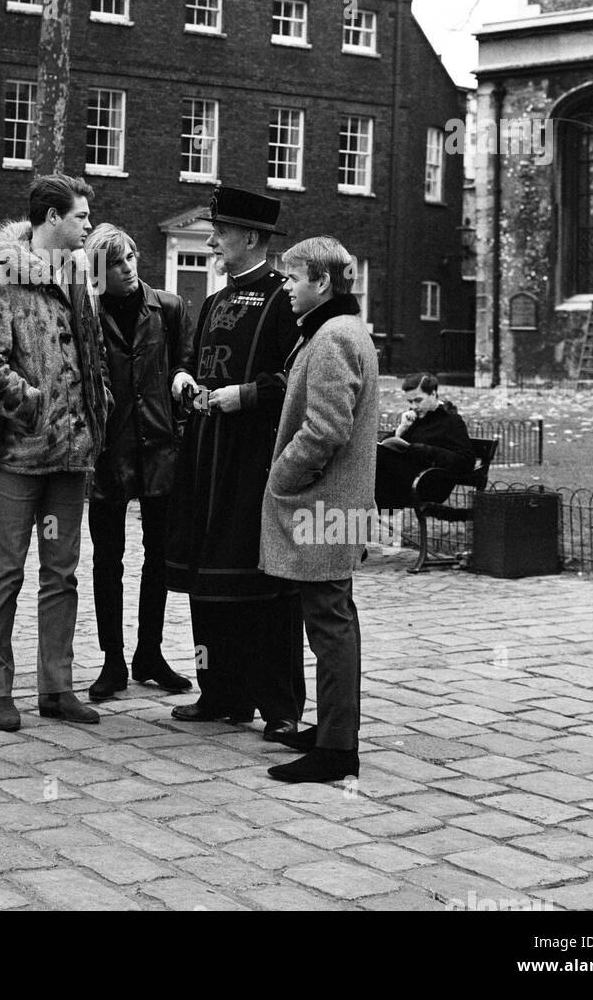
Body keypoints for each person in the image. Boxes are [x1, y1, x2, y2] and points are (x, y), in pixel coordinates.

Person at [0, 173, 112, 732]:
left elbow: (91, 358)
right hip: (20, 457)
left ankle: (57, 687)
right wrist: (30, 406)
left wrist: (98, 405)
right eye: (80, 216)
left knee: (62, 574)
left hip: (73, 457)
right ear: (51, 218)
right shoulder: (0, 282)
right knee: (4, 574)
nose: (88, 225)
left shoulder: (81, 279)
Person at [164, 185, 305, 734]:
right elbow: (196, 357)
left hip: (251, 462)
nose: (213, 240)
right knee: (208, 582)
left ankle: (281, 708)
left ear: (251, 237)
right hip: (205, 456)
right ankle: (219, 691)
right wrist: (184, 378)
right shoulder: (217, 298)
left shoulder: (281, 297)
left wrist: (241, 396)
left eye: (221, 232)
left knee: (261, 588)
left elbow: (293, 381)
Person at [261, 235, 378, 784]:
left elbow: (326, 430)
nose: (285, 287)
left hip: (322, 506)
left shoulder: (333, 337)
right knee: (336, 618)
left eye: (293, 277)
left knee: (329, 623)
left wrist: (280, 476)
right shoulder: (346, 329)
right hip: (337, 504)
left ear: (323, 282)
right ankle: (336, 727)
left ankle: (336, 749)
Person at [83, 224, 193, 702]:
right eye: (115, 264)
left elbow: (185, 359)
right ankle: (113, 660)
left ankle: (150, 652)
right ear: (97, 273)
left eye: (130, 258)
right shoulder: (85, 313)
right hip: (109, 450)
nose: (127, 269)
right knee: (108, 560)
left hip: (159, 446)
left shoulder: (168, 308)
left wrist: (182, 378)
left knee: (159, 558)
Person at [375, 373, 475, 511]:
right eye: (410, 402)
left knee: (374, 461)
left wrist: (427, 450)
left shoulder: (451, 421)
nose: (414, 406)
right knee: (374, 454)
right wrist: (401, 429)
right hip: (405, 477)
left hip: (430, 482)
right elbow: (387, 445)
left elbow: (467, 461)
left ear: (433, 394)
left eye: (418, 400)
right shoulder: (415, 419)